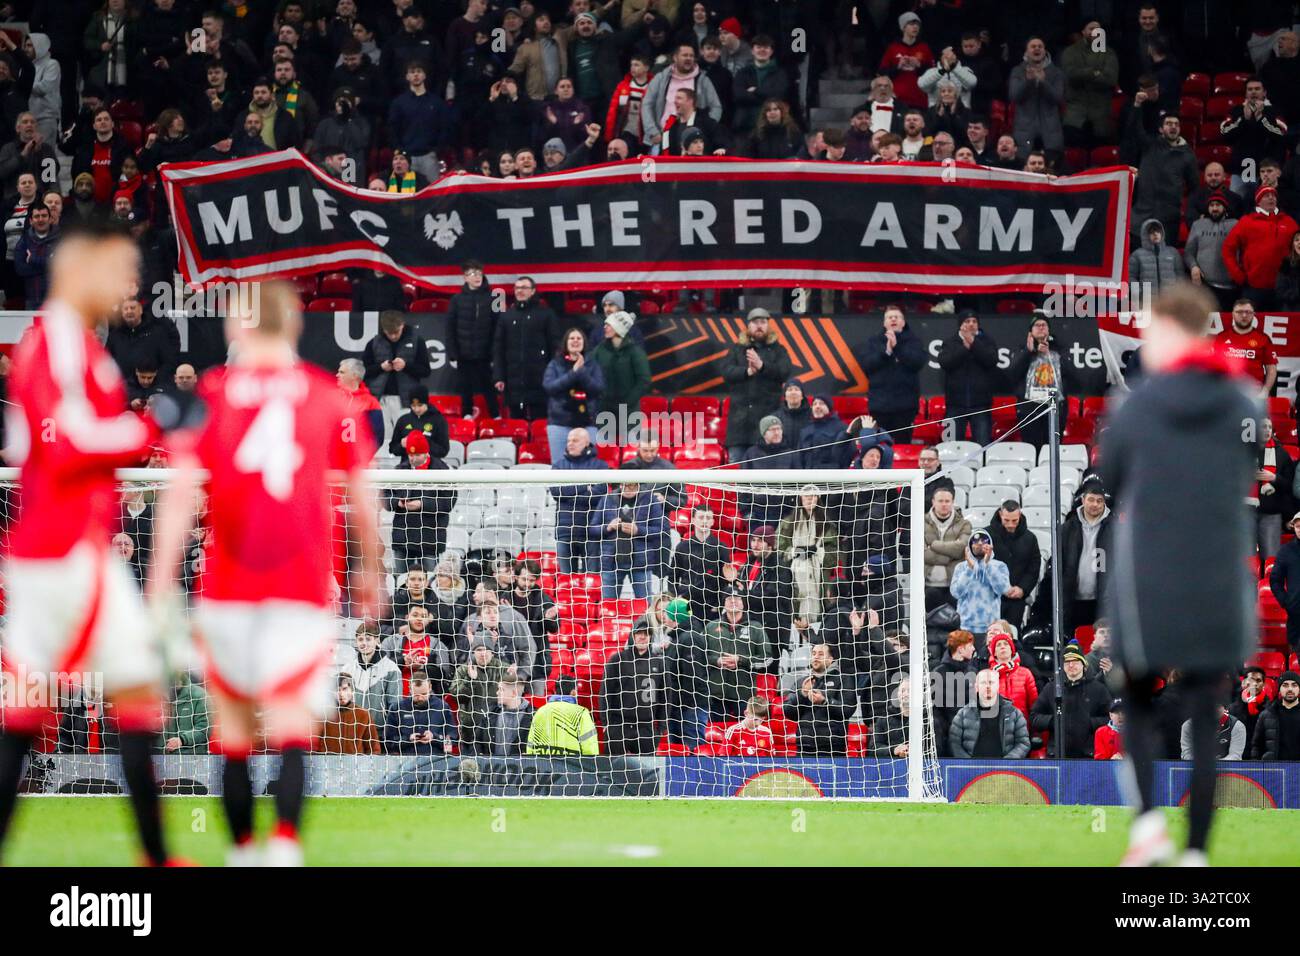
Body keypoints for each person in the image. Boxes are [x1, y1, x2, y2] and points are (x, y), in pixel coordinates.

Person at [147, 280, 383, 867]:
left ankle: (242, 850)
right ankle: (282, 849)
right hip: (300, 587)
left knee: (232, 731)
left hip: (227, 586)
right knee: (291, 725)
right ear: (296, 327)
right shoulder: (327, 394)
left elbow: (179, 495)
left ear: (237, 330)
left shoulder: (212, 392)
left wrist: (157, 580)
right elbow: (362, 493)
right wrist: (371, 568)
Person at [0, 228, 178, 866]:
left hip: (52, 547)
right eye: (122, 272)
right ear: (83, 268)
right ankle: (156, 858)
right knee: (136, 688)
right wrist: (151, 423)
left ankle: (155, 855)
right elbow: (68, 444)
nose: (129, 286)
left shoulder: (63, 340)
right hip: (71, 550)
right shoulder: (60, 343)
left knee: (24, 714)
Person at [1097, 284, 1261, 865]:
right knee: (1204, 712)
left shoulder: (1137, 404)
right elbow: (1248, 471)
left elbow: (1109, 482)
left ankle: (1147, 830)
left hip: (1151, 579)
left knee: (1138, 704)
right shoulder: (1245, 403)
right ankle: (1195, 853)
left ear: (1170, 331)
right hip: (1219, 578)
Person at [719, 308, 792, 462]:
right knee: (737, 476)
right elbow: (726, 371)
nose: (759, 326)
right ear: (748, 326)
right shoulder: (737, 349)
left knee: (765, 474)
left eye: (763, 322)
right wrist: (747, 372)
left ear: (768, 325)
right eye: (755, 322)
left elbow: (784, 371)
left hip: (767, 426)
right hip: (739, 427)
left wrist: (762, 366)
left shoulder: (778, 350)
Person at [493, 275, 565, 421]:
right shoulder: (506, 316)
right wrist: (499, 377)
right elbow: (498, 349)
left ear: (533, 291)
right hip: (513, 382)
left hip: (540, 380)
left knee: (540, 422)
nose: (520, 291)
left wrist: (554, 374)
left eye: (524, 288)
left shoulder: (546, 314)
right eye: (517, 288)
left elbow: (555, 347)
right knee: (516, 424)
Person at [701, 584, 774, 722]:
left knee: (743, 736)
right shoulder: (710, 627)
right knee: (716, 737)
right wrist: (716, 661)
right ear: (723, 603)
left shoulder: (756, 628)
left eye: (737, 598)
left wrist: (740, 660)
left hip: (744, 695)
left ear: (743, 603)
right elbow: (698, 657)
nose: (733, 601)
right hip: (715, 695)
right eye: (729, 598)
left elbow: (767, 659)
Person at [1222, 187, 1299, 310]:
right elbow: (1227, 249)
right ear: (1258, 200)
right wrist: (1238, 275)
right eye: (1266, 195)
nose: (1271, 197)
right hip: (1253, 288)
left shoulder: (1288, 222)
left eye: (1273, 195)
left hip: (1283, 289)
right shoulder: (1246, 222)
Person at [363, 310, 432, 447]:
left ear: (402, 325)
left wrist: (406, 366)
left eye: (396, 332)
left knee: (407, 441)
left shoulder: (417, 341)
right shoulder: (373, 343)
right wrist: (381, 367)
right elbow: (364, 372)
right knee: (383, 441)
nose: (393, 336)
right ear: (383, 330)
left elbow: (425, 371)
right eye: (390, 333)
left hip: (406, 401)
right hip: (380, 399)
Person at [1030, 642, 1110, 758]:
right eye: (1067, 662)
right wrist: (1053, 721)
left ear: (1084, 664)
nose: (1071, 665)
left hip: (1088, 755)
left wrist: (1090, 723)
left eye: (1075, 661)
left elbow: (1110, 719)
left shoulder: (1099, 689)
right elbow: (1034, 718)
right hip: (1057, 755)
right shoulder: (1051, 688)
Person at [590, 480, 667, 600]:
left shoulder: (650, 499)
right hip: (611, 562)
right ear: (620, 484)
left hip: (641, 563)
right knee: (608, 606)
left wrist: (638, 531)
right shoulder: (607, 499)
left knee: (645, 606)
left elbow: (661, 530)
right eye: (625, 485)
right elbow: (592, 529)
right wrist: (608, 527)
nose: (628, 489)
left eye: (632, 486)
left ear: (639, 484)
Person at [776, 487, 838, 628]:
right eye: (806, 496)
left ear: (818, 498)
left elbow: (834, 557)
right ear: (800, 499)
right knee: (794, 614)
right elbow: (779, 552)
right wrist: (797, 552)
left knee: (819, 619)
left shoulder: (827, 525)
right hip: (793, 577)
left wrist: (818, 552)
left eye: (814, 496)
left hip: (820, 579)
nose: (810, 499)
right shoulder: (787, 524)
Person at [861, 304, 925, 443]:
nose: (893, 319)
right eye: (890, 317)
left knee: (903, 444)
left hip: (905, 407)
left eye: (897, 317)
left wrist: (898, 348)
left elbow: (918, 362)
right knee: (880, 446)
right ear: (884, 323)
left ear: (903, 322)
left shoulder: (914, 341)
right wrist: (887, 352)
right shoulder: (874, 342)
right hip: (880, 406)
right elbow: (867, 365)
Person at [600, 622, 665, 755]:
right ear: (633, 636)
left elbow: (665, 697)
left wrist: (661, 728)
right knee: (613, 770)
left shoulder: (659, 663)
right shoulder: (618, 659)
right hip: (619, 726)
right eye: (639, 633)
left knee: (646, 772)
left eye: (646, 634)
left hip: (646, 728)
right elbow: (605, 692)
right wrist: (607, 723)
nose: (642, 637)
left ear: (650, 637)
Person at [1058, 478, 1113, 636]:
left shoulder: (1113, 528)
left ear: (1104, 503)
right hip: (1072, 598)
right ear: (1083, 500)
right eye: (1091, 500)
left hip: (1102, 601)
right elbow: (1059, 562)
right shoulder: (1067, 528)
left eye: (1099, 501)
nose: (1095, 504)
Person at [936, 310, 998, 445]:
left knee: (983, 445)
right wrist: (964, 348)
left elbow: (991, 360)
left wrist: (973, 343)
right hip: (954, 405)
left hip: (981, 405)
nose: (971, 324)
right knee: (950, 445)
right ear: (960, 325)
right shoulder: (950, 342)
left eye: (974, 321)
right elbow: (945, 363)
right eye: (967, 321)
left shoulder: (987, 341)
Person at [781, 642, 854, 755]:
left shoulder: (843, 680)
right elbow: (788, 712)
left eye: (820, 654)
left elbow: (847, 710)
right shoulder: (801, 682)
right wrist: (802, 694)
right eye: (814, 653)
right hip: (804, 747)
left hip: (833, 748)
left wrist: (825, 701)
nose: (816, 657)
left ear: (830, 659)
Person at [1008, 315, 1070, 448]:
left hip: (1054, 405)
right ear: (1030, 332)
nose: (1041, 327)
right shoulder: (1022, 349)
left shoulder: (1059, 349)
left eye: (1044, 324)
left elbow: (1072, 373)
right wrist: (1028, 352)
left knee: (1052, 447)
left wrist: (1051, 354)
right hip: (1029, 406)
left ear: (1049, 330)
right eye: (1037, 325)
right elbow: (1012, 375)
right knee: (1031, 446)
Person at [553, 428, 608, 572]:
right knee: (566, 582)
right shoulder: (558, 466)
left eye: (575, 440)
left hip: (591, 532)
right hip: (565, 532)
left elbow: (599, 494)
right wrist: (586, 486)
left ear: (587, 443)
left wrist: (570, 490)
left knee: (591, 581)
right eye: (569, 440)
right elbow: (557, 492)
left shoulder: (600, 466)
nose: (570, 443)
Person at [948, 669, 1031, 759]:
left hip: (1003, 771)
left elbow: (1023, 743)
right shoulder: (962, 714)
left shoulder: (1014, 713)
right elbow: (954, 743)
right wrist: (968, 764)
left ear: (998, 685)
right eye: (983, 683)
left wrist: (1007, 763)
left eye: (991, 682)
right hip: (971, 770)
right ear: (977, 687)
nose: (988, 686)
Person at [1061, 21, 1119, 147]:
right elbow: (1071, 75)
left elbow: (1111, 79)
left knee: (1100, 156)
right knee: (1074, 155)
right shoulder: (1070, 52)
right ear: (1083, 32)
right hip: (1075, 116)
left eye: (1098, 29)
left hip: (1100, 116)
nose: (1095, 32)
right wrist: (1095, 72)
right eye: (1091, 28)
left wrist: (1083, 73)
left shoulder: (1109, 53)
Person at [1008, 36, 1065, 163]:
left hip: (1051, 131)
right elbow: (1014, 97)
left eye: (1040, 46)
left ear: (1045, 50)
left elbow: (1057, 98)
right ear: (1026, 51)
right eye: (1033, 46)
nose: (1037, 49)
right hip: (1024, 130)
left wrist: (1043, 82)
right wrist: (1028, 82)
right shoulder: (1018, 71)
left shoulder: (1056, 73)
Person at [450, 638, 509, 757]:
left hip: (497, 730)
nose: (483, 653)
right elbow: (456, 695)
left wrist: (515, 678)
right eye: (479, 650)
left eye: (487, 649)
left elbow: (514, 696)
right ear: (473, 652)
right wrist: (471, 680)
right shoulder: (463, 670)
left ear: (492, 652)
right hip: (470, 730)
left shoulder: (504, 669)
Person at [591, 309, 650, 429]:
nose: (605, 327)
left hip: (629, 413)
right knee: (606, 446)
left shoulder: (635, 352)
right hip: (605, 411)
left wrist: (626, 402)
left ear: (619, 328)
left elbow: (644, 381)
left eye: (609, 325)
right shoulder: (599, 350)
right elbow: (590, 372)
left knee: (630, 446)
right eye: (605, 324)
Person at [340, 622, 403, 733]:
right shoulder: (347, 669)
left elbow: (395, 705)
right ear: (356, 641)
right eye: (360, 639)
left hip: (379, 732)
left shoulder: (391, 669)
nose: (364, 643)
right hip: (352, 731)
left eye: (368, 639)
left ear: (377, 640)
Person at [986, 501, 1040, 628]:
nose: (1011, 525)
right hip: (990, 597)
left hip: (1016, 597)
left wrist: (1022, 589)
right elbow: (980, 565)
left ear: (1020, 515)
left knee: (1012, 635)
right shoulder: (986, 535)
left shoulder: (1030, 538)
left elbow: (1033, 568)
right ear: (1000, 514)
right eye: (1006, 520)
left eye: (1015, 520)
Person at [1184, 191, 1240, 311]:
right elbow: (1189, 252)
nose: (1214, 208)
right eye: (1211, 205)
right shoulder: (1198, 225)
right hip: (1204, 286)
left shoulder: (1236, 225)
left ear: (1224, 207)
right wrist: (1194, 267)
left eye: (1218, 205)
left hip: (1229, 287)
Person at [670, 504, 728, 618]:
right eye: (701, 517)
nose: (705, 521)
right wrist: (676, 597)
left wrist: (719, 604)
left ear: (712, 522)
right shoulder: (682, 547)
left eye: (708, 518)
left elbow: (724, 579)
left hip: (710, 605)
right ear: (693, 520)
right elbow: (673, 576)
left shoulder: (721, 547)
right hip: (686, 602)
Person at [949, 529, 1011, 636]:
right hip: (965, 626)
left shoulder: (1000, 566)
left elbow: (1003, 589)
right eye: (976, 541)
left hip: (992, 628)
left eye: (984, 540)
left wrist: (987, 565)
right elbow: (956, 593)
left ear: (990, 545)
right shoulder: (961, 567)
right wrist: (970, 568)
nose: (980, 543)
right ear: (970, 545)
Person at [388, 670, 456, 757]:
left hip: (436, 761)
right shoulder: (397, 709)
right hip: (406, 762)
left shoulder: (443, 707)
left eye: (424, 694)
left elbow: (452, 739)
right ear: (410, 689)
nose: (420, 698)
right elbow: (389, 741)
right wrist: (408, 739)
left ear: (430, 687)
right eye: (416, 695)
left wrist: (435, 737)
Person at [527, 674, 600, 756]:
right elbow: (589, 745)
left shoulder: (540, 711)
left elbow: (530, 744)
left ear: (555, 691)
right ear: (573, 692)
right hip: (572, 766)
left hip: (544, 766)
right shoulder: (581, 713)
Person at [923, 487, 970, 611]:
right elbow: (922, 554)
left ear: (952, 502)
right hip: (927, 585)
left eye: (947, 501)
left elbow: (961, 549)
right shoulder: (920, 522)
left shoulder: (964, 524)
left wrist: (934, 545)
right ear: (933, 502)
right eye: (940, 501)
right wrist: (949, 555)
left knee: (956, 627)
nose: (944, 504)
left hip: (954, 585)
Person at [315, 674, 381, 755]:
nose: (341, 694)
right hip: (327, 765)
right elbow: (314, 745)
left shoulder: (363, 715)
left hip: (356, 765)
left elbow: (374, 748)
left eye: (345, 689)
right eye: (337, 690)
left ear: (352, 690)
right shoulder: (323, 714)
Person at [988, 630, 1038, 729]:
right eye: (998, 645)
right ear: (994, 653)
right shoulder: (987, 675)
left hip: (1021, 728)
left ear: (1012, 650)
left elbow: (1034, 706)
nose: (1002, 646)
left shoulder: (1025, 673)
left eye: (1006, 644)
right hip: (996, 729)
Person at [388, 388, 450, 465]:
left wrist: (425, 444)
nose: (417, 409)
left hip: (431, 468)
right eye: (413, 406)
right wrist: (401, 445)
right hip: (407, 467)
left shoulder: (438, 420)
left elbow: (443, 451)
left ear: (426, 403)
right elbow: (392, 449)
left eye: (420, 405)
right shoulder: (403, 420)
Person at [1128, 219, 1186, 294]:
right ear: (1145, 235)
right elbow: (1130, 276)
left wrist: (1177, 293)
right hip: (1147, 301)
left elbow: (1181, 276)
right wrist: (1140, 292)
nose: (1155, 234)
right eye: (1151, 232)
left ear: (1162, 233)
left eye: (1158, 231)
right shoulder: (1137, 255)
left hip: (1170, 301)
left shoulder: (1173, 252)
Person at [1270, 512, 1300, 656]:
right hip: (1296, 617)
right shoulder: (1286, 551)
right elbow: (1275, 580)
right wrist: (1286, 602)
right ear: (1293, 527)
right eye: (1298, 526)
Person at [1252, 672, 1300, 760]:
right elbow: (1256, 746)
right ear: (1279, 689)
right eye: (1285, 685)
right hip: (1274, 770)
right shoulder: (1266, 715)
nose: (1290, 689)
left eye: (1294, 685)